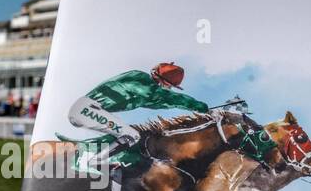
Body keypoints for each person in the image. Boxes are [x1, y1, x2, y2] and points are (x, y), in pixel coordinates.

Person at [67, 62, 209, 163]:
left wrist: (194, 108)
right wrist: (200, 106)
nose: (169, 89)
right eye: (169, 86)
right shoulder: (144, 85)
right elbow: (170, 98)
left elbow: (161, 103)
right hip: (87, 110)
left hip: (86, 109)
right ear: (164, 82)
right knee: (131, 135)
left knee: (122, 134)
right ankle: (93, 162)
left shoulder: (141, 83)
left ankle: (100, 157)